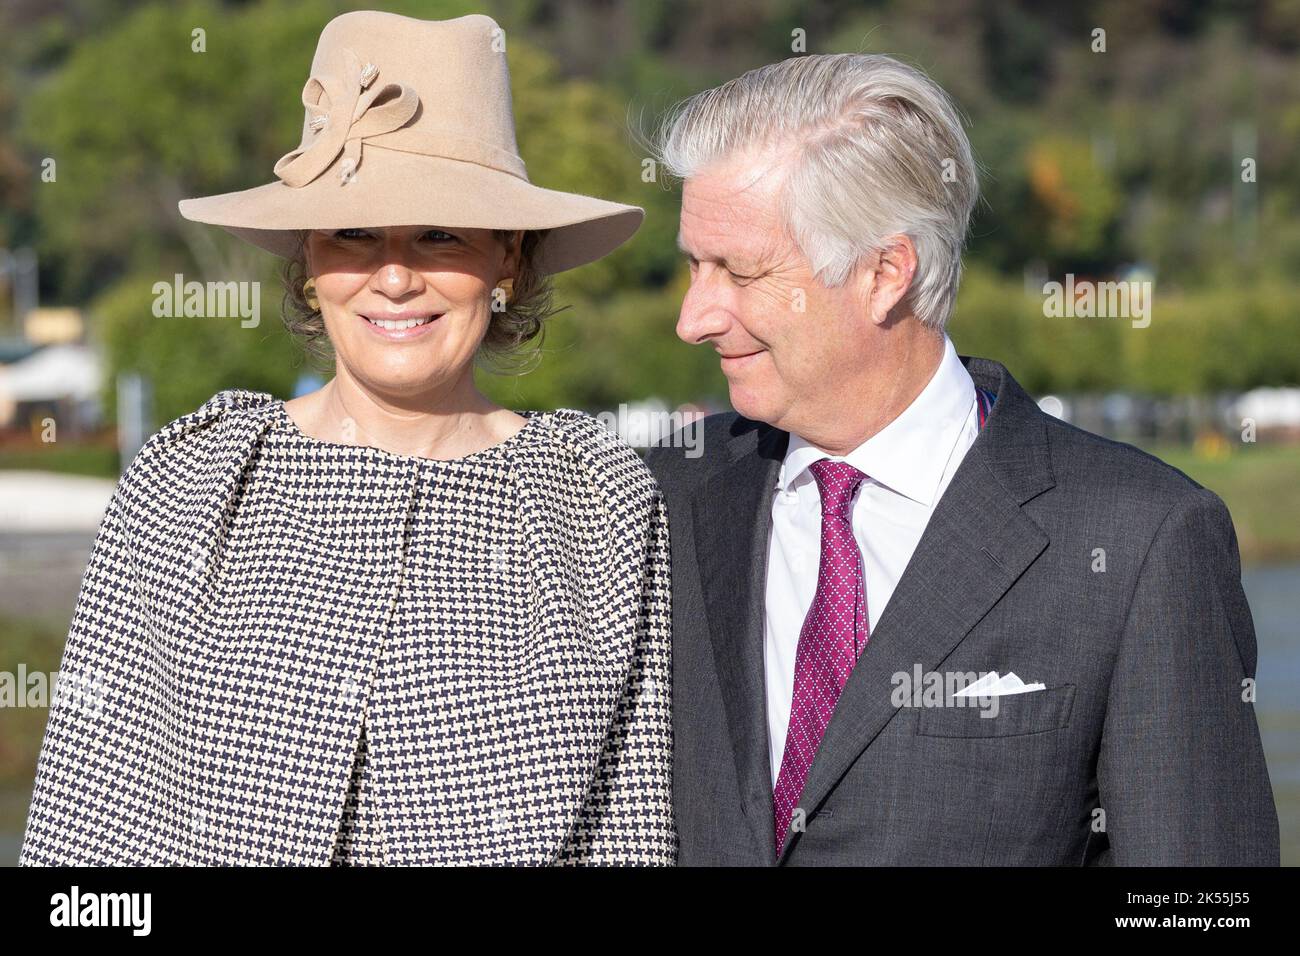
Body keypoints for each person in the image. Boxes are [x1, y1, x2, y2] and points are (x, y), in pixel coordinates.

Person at [20, 10, 674, 866]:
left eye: (441, 232)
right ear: (308, 260)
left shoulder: (599, 504)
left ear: (508, 259)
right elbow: (90, 822)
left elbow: (633, 826)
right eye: (354, 233)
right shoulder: (193, 479)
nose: (394, 276)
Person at [645, 52, 1279, 865]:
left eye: (738, 271)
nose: (694, 317)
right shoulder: (660, 498)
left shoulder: (1140, 537)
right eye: (693, 266)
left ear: (884, 274)